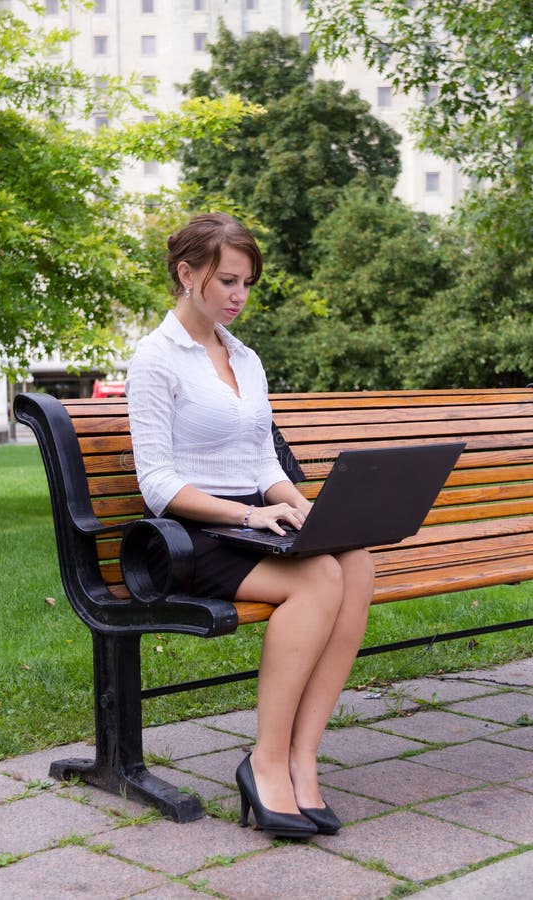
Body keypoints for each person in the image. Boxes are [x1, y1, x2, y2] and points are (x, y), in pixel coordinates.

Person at [126, 212, 375, 838]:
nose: (239, 296)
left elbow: (264, 464)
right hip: (188, 535)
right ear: (188, 274)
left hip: (254, 523)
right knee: (318, 578)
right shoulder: (156, 359)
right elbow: (157, 484)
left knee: (355, 561)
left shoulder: (245, 358)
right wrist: (249, 514)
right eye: (228, 281)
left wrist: (305, 508)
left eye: (247, 284)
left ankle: (302, 757)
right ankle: (265, 762)